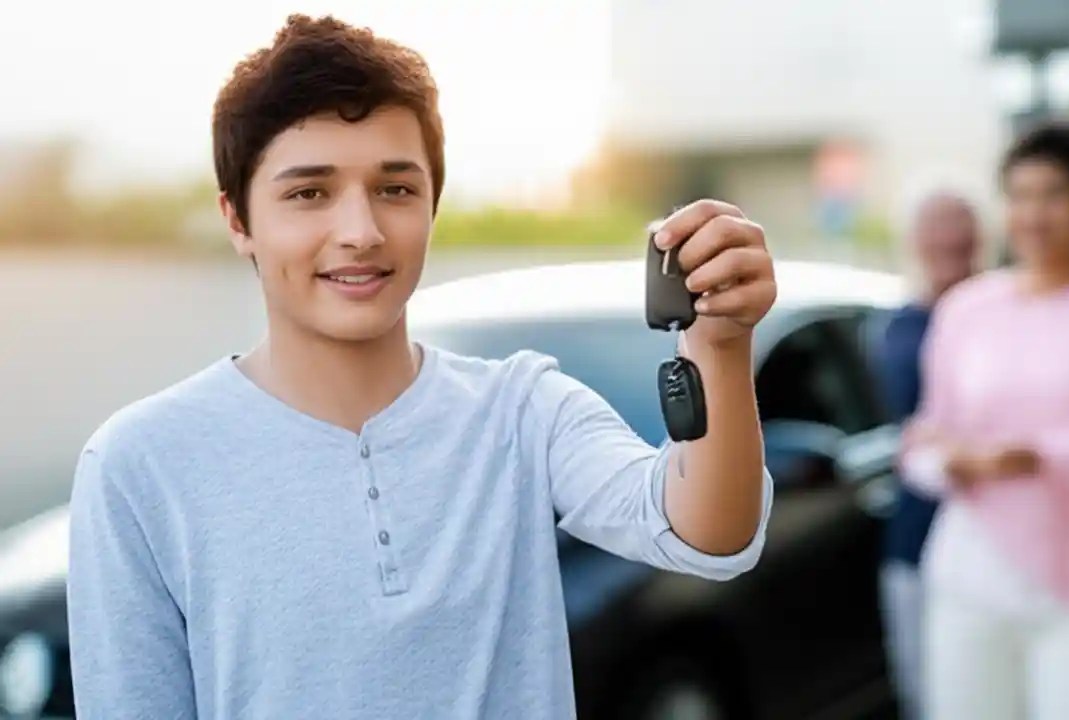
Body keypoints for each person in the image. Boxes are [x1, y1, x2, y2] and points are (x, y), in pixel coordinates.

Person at [66, 15, 777, 720]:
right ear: (238, 219)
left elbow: (707, 535)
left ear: (433, 202)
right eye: (309, 192)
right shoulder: (138, 464)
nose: (361, 232)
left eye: (395, 189)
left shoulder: (522, 408)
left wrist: (719, 342)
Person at [902, 120, 1069, 720]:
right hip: (969, 574)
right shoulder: (966, 310)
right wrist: (958, 458)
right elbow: (920, 446)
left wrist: (983, 456)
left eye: (1055, 194)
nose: (1035, 214)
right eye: (1020, 195)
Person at [875, 185, 981, 720]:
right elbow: (907, 431)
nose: (949, 239)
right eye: (935, 226)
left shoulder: (1007, 318)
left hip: (998, 542)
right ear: (914, 240)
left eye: (960, 225)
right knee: (926, 697)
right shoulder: (898, 328)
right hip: (916, 539)